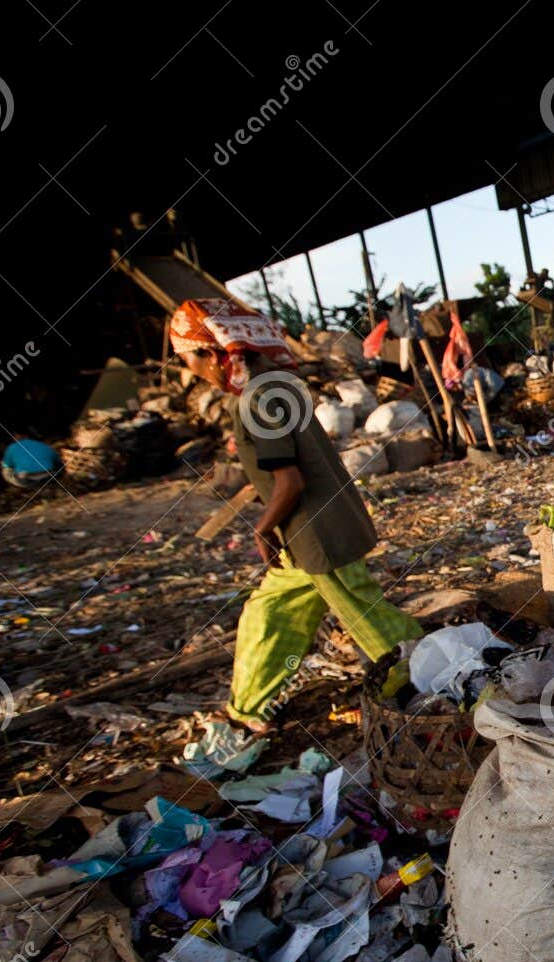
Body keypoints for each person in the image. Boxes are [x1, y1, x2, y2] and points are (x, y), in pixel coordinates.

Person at [170, 298, 422, 733]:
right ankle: (248, 710)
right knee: (269, 616)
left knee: (376, 628)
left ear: (212, 353)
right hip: (308, 534)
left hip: (315, 534)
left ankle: (442, 682)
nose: (190, 370)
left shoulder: (257, 396)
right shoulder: (276, 384)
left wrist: (262, 529)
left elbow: (290, 483)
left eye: (189, 358)